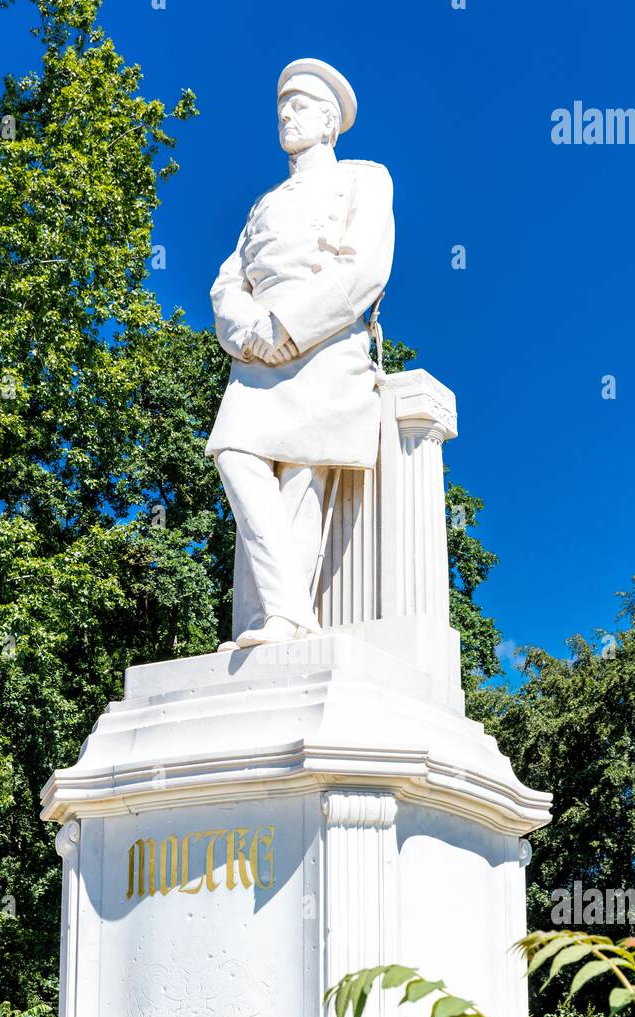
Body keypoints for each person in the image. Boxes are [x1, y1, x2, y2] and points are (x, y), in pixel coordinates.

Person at [206, 58, 395, 649]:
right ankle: (288, 613)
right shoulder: (261, 204)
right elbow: (226, 284)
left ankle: (282, 620)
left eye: (302, 105)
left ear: (330, 122)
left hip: (325, 343)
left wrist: (292, 325)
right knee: (234, 453)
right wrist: (252, 331)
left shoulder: (366, 178)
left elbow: (364, 267)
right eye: (282, 104)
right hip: (258, 352)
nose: (287, 113)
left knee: (302, 479)